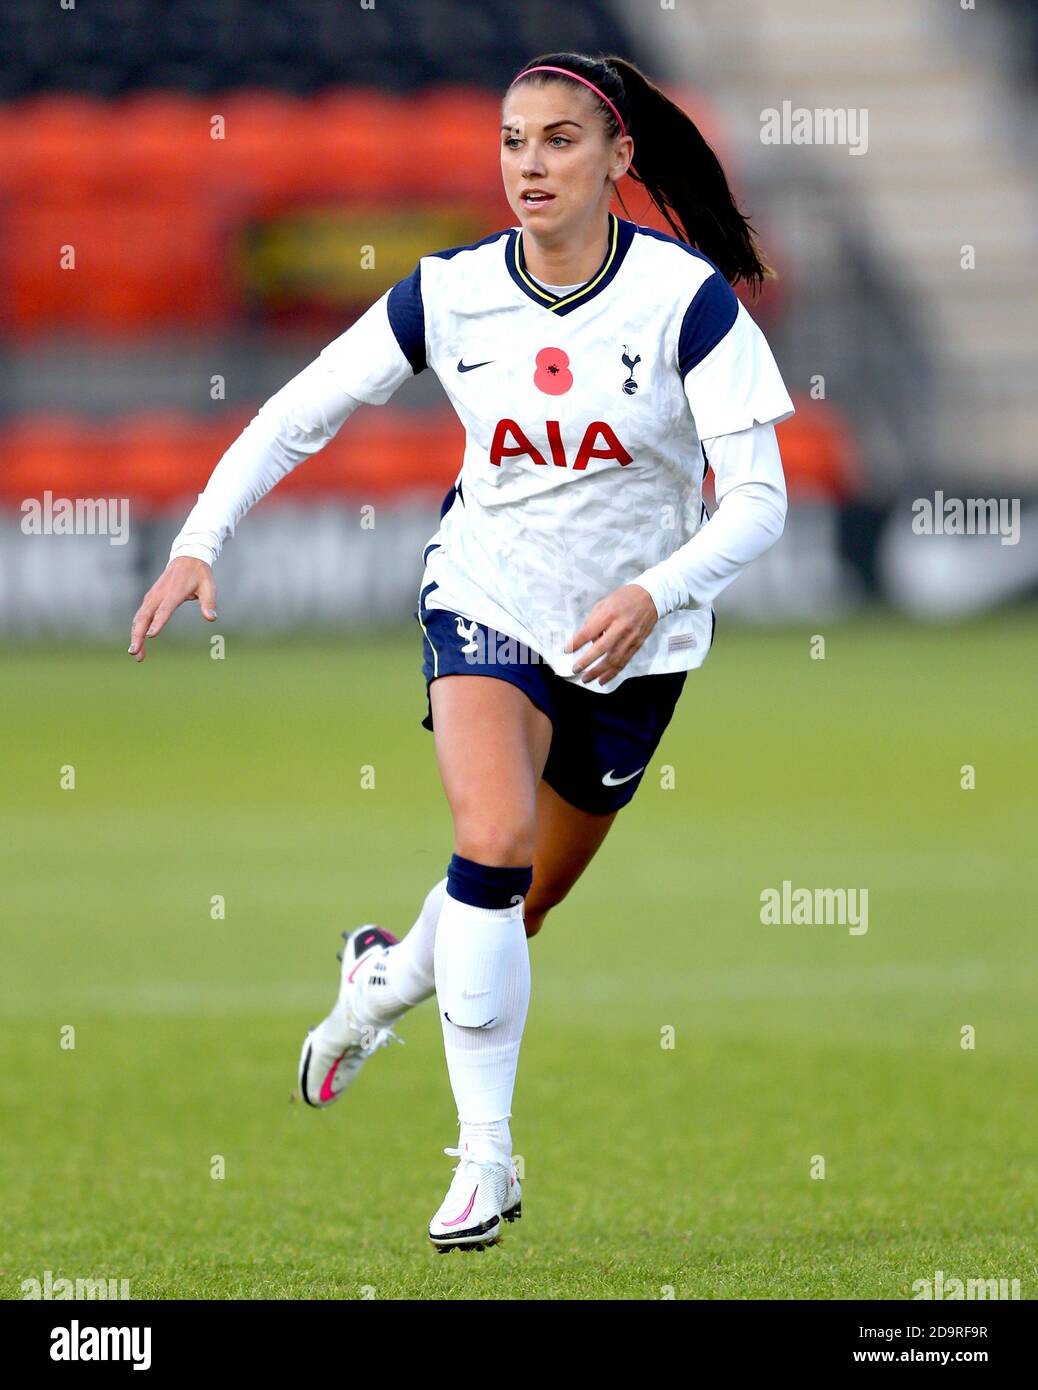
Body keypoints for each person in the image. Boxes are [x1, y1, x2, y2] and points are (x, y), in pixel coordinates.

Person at [128, 52, 794, 1253]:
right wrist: (196, 541)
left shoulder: (688, 303)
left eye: (558, 140)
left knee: (513, 908)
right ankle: (486, 1161)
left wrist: (654, 590)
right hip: (485, 597)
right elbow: (300, 411)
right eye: (511, 141)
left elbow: (758, 501)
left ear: (618, 157)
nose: (529, 165)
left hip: (637, 642)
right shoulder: (451, 291)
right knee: (491, 842)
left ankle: (378, 984)